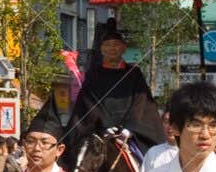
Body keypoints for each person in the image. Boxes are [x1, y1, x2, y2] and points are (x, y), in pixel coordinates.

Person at [66, 23, 166, 160]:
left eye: (116, 44)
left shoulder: (133, 73)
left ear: (124, 48)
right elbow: (89, 102)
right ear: (101, 49)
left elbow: (141, 102)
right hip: (99, 131)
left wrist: (130, 128)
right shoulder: (93, 74)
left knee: (152, 160)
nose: (112, 49)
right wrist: (104, 126)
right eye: (108, 45)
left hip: (131, 133)